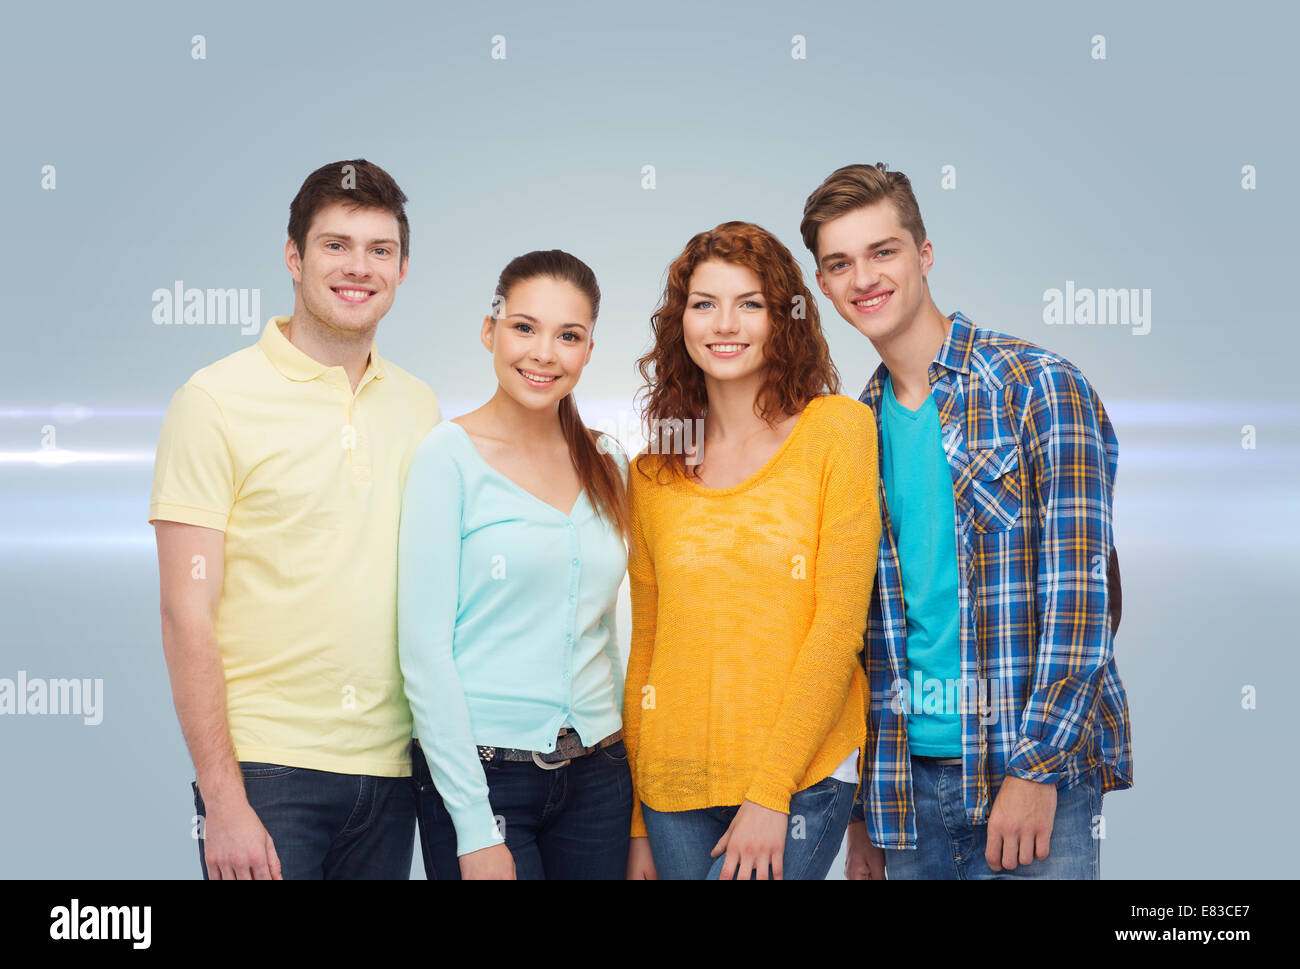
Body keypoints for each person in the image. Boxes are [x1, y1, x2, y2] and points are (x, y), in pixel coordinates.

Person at [800, 163, 1133, 879]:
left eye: (882, 251)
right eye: (840, 263)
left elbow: (1082, 599)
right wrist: (861, 812)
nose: (864, 278)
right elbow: (856, 631)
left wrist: (1037, 770)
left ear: (923, 254)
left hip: (1026, 775)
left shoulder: (1038, 385)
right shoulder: (850, 432)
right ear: (823, 286)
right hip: (903, 794)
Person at [149, 159, 440, 879]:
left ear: (403, 269)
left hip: (393, 768)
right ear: (293, 257)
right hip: (267, 771)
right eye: (335, 245)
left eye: (380, 250)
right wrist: (223, 797)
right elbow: (185, 610)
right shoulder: (213, 400)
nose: (359, 267)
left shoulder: (419, 406)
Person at [623, 222, 881, 880]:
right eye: (704, 303)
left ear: (783, 317)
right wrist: (636, 824)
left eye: (750, 303)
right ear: (680, 320)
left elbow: (838, 625)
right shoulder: (652, 474)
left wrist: (771, 791)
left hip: (798, 780)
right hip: (669, 792)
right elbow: (647, 646)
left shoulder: (838, 430)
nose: (724, 323)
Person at [398, 250, 633, 880]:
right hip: (484, 777)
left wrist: (635, 804)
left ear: (588, 351)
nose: (544, 353)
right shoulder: (446, 458)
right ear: (490, 332)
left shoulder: (609, 461)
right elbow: (424, 653)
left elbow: (615, 633)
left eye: (568, 336)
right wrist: (473, 826)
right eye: (524, 327)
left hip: (601, 774)